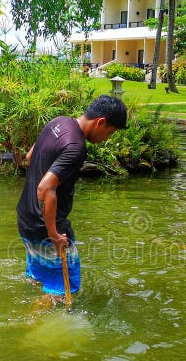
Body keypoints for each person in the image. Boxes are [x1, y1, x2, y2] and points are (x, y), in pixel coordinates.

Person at [17, 95, 128, 296]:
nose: (106, 140)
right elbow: (44, 189)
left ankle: (33, 309)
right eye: (109, 133)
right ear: (100, 122)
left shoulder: (58, 122)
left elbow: (30, 156)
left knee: (39, 277)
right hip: (46, 227)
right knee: (60, 290)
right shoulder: (76, 147)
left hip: (26, 218)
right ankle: (33, 323)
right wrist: (53, 235)